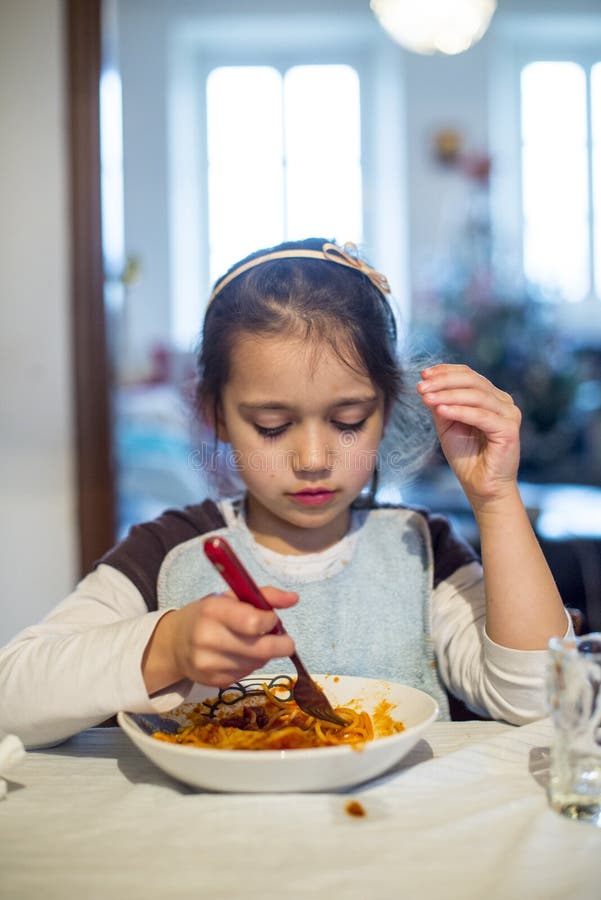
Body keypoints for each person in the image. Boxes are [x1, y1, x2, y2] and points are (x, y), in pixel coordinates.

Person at [0, 238, 571, 748]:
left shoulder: (419, 552)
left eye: (348, 420)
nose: (314, 460)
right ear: (214, 414)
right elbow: (12, 699)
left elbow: (535, 700)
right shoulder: (168, 551)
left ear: (387, 408)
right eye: (272, 426)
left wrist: (495, 499)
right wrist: (165, 648)